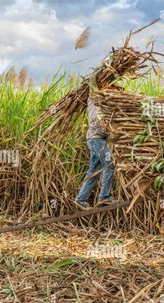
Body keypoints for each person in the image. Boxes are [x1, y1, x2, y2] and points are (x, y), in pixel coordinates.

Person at [75, 73, 116, 210]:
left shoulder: (107, 105)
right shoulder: (94, 99)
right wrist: (97, 74)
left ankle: (81, 199)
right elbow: (93, 86)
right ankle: (104, 197)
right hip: (95, 138)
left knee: (93, 171)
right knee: (110, 163)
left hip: (98, 139)